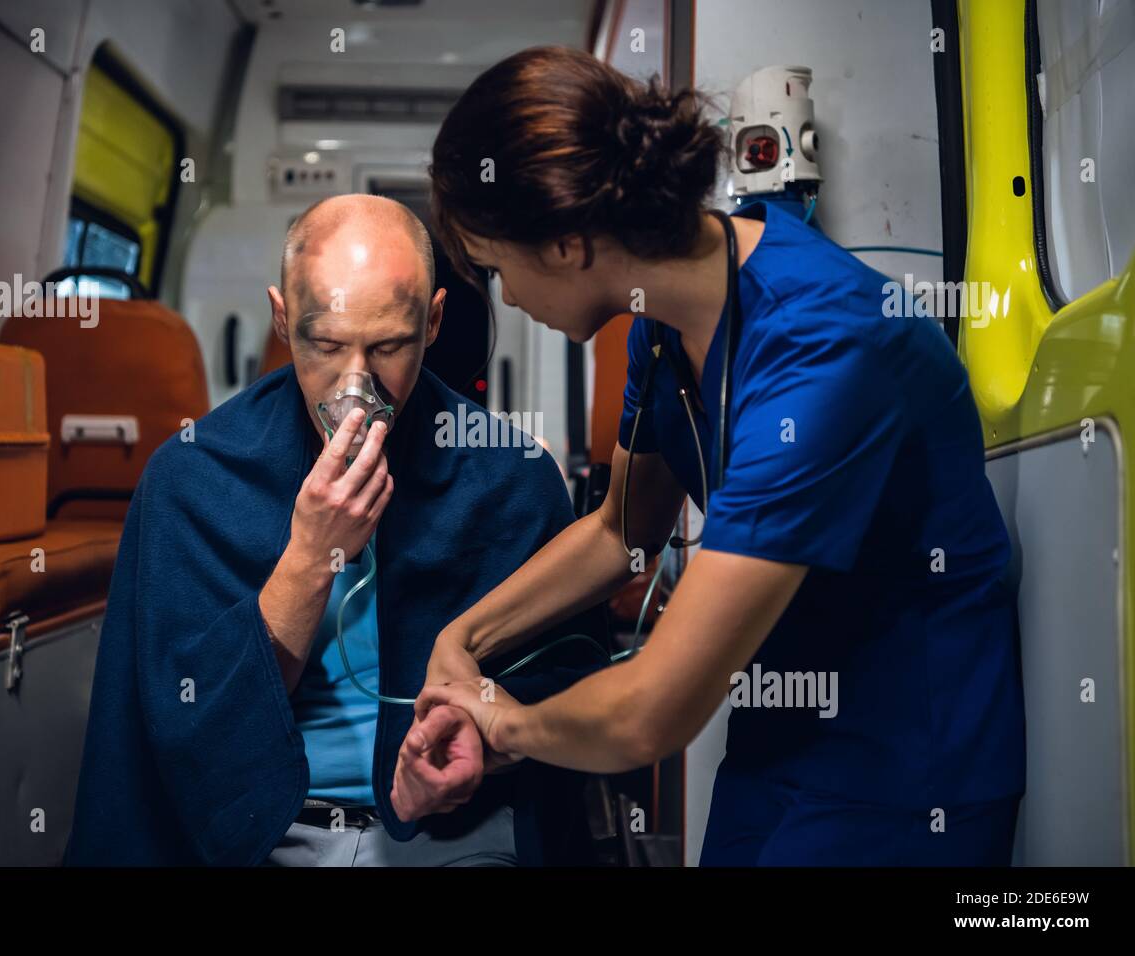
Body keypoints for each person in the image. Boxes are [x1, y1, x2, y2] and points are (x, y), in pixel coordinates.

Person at [409, 46, 1026, 865]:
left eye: (497, 270)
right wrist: (462, 641)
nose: (510, 298)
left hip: (910, 762)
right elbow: (620, 533)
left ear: (563, 243)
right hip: (779, 738)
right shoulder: (661, 329)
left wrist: (500, 722)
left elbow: (648, 714)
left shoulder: (824, 347)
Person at [65, 194, 603, 866]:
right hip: (259, 829)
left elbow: (573, 676)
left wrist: (482, 739)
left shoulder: (510, 477)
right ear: (283, 319)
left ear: (433, 322)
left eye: (388, 347)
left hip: (454, 835)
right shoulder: (195, 475)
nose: (356, 387)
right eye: (325, 345)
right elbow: (184, 729)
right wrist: (310, 558)